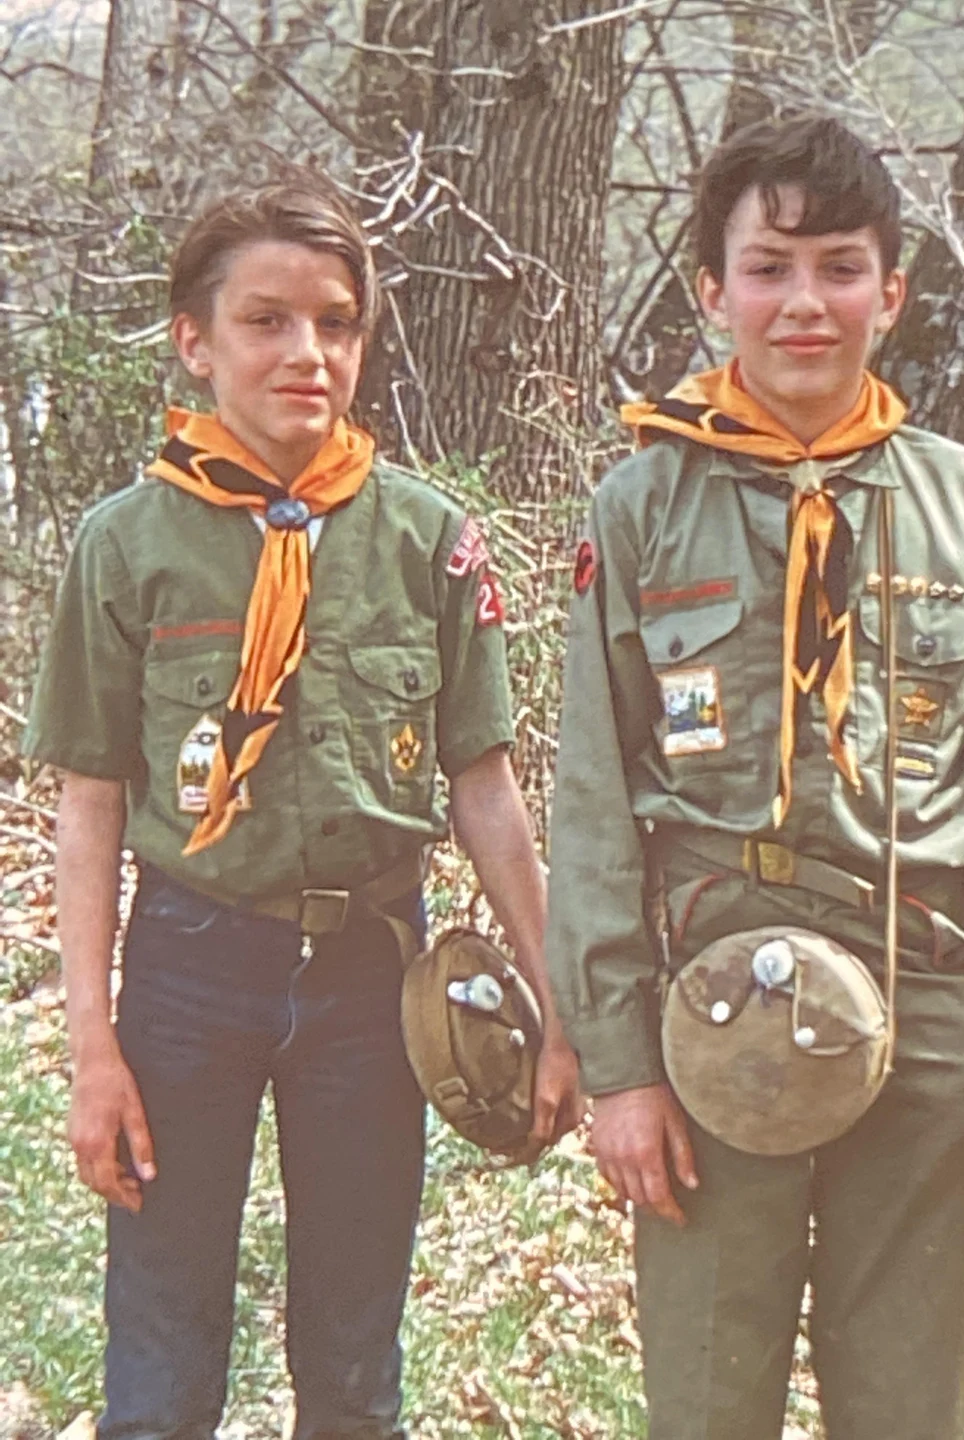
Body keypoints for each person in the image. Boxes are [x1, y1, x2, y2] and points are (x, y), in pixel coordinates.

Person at [546, 116, 964, 1439]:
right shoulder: (642, 506)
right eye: (769, 268)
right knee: (707, 1399)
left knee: (905, 1406)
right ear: (711, 289)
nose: (805, 304)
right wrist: (618, 1067)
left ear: (891, 293)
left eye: (841, 268)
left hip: (931, 999)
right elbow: (594, 804)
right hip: (713, 1011)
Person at [23, 180, 580, 1440]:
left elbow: (485, 788)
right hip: (191, 965)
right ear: (194, 340)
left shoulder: (426, 539)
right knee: (163, 1362)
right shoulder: (129, 546)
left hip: (375, 979)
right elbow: (91, 806)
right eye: (265, 321)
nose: (307, 354)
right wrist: (94, 1050)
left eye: (336, 323)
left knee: (353, 1358)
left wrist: (560, 1006)